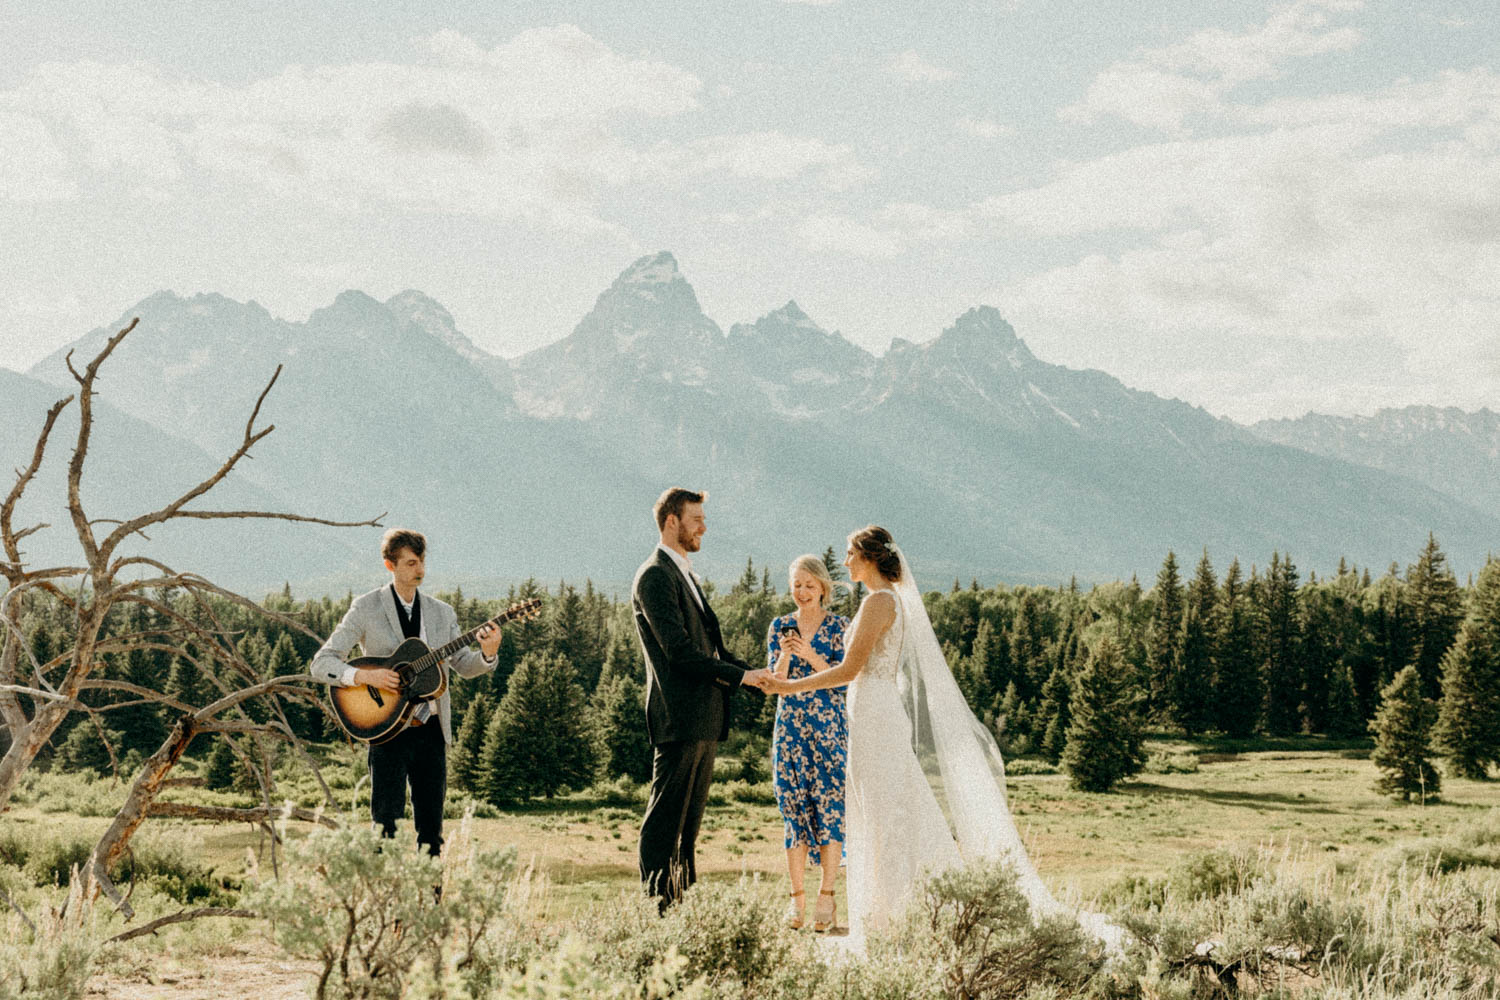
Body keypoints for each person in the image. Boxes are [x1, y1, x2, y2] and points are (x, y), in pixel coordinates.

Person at [760, 525, 1120, 952]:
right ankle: (892, 913)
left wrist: (788, 687)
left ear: (869, 557)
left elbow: (849, 670)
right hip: (871, 713)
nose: (845, 562)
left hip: (875, 714)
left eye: (851, 553)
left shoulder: (878, 602)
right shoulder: (884, 600)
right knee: (882, 812)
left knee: (884, 814)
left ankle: (892, 918)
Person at [311, 528, 501, 856]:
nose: (420, 569)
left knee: (431, 832)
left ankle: (429, 889)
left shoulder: (442, 612)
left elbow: (464, 665)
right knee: (385, 828)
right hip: (386, 730)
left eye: (422, 561)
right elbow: (321, 664)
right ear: (390, 565)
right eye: (411, 563)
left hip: (432, 731)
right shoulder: (366, 607)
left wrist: (488, 653)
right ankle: (386, 889)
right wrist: (364, 676)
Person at [631, 488, 771, 909]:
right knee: (665, 824)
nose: (704, 528)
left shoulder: (682, 574)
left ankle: (682, 911)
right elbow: (679, 652)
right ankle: (657, 912)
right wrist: (741, 677)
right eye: (696, 519)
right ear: (672, 521)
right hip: (679, 718)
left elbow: (713, 650)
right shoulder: (654, 576)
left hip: (702, 718)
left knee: (687, 831)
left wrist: (757, 677)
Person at [766, 555, 849, 932]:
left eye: (809, 585)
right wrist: (786, 653)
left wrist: (810, 655)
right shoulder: (779, 625)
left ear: (823, 588)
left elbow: (844, 680)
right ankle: (796, 900)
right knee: (793, 811)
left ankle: (826, 897)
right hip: (790, 730)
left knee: (830, 808)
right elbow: (773, 682)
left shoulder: (839, 627)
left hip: (828, 728)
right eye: (797, 585)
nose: (802, 592)